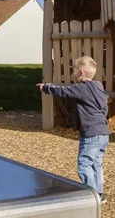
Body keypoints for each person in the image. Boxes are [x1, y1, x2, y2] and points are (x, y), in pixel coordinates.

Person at [37, 55, 110, 204]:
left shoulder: (82, 88)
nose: (72, 73)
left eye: (74, 71)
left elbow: (65, 91)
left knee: (84, 163)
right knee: (97, 163)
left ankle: (91, 195)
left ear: (81, 73)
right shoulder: (99, 87)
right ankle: (100, 193)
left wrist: (46, 87)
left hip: (91, 133)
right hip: (103, 132)